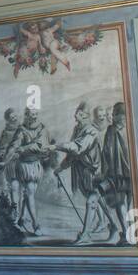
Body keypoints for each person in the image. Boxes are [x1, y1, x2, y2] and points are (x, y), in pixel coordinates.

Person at [50, 103, 103, 244]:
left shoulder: (92, 131)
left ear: (85, 115)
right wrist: (61, 168)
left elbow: (78, 148)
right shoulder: (77, 129)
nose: (75, 115)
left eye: (78, 113)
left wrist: (56, 146)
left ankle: (86, 235)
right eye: (76, 112)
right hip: (83, 172)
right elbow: (72, 154)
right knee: (96, 199)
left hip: (94, 171)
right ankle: (105, 223)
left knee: (92, 199)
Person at [94, 102, 132, 243]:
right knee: (127, 204)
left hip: (116, 175)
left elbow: (107, 153)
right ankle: (128, 234)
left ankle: (122, 231)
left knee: (116, 202)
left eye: (114, 113)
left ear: (117, 116)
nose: (112, 116)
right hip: (130, 175)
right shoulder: (130, 128)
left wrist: (103, 173)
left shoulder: (111, 130)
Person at [12, 108, 50, 235]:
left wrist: (23, 148)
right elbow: (16, 146)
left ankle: (22, 219)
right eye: (30, 115)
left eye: (35, 114)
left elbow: (40, 146)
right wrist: (19, 149)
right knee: (29, 192)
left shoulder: (42, 129)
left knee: (29, 193)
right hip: (23, 166)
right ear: (26, 116)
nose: (33, 117)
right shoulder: (21, 129)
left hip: (34, 165)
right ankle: (36, 225)